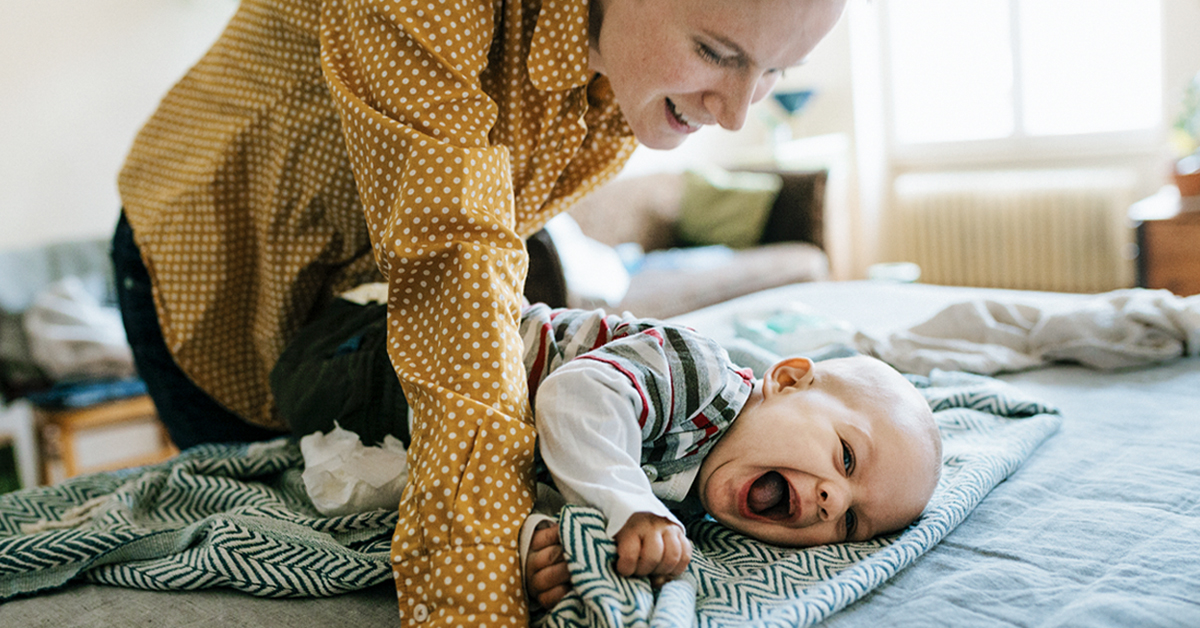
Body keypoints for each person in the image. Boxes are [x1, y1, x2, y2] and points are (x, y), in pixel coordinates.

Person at [112, 0, 848, 623]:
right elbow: (455, 272)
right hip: (219, 277)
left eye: (778, 69)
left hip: (367, 302)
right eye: (716, 52)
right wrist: (474, 596)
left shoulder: (621, 79)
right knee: (248, 559)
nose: (737, 115)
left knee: (339, 518)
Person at [273, 295, 942, 611]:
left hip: (435, 425)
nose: (831, 500)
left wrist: (539, 543)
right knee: (291, 390)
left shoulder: (701, 496)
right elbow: (574, 404)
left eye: (851, 522)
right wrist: (628, 507)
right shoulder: (697, 375)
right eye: (847, 461)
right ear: (788, 381)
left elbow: (545, 475)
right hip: (386, 359)